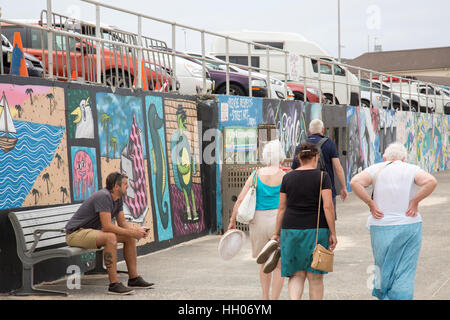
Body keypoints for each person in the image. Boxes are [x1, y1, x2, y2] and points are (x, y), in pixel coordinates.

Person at [350, 142, 437, 300]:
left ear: (385, 157)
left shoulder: (375, 168)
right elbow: (431, 181)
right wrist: (415, 201)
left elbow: (355, 182)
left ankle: (383, 295)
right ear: (403, 158)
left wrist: (370, 203)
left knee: (381, 265)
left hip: (380, 224)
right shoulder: (411, 169)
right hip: (409, 224)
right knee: (405, 268)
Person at [65, 172, 154, 295]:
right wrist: (133, 232)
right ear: (116, 187)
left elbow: (122, 223)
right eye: (125, 184)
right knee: (110, 237)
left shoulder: (118, 199)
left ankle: (133, 279)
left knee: (129, 238)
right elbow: (107, 226)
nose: (127, 186)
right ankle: (114, 285)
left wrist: (135, 232)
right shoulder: (104, 196)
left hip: (92, 232)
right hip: (76, 233)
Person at [272, 142, 337, 300]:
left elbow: (281, 208)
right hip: (317, 231)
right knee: (315, 278)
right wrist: (333, 233)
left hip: (290, 230)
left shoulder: (287, 178)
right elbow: (328, 207)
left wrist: (276, 233)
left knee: (296, 275)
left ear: (299, 158)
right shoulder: (323, 177)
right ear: (316, 157)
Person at [228, 140, 286, 300]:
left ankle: (265, 297)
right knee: (279, 263)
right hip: (277, 220)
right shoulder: (284, 176)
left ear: (265, 156)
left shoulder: (255, 174)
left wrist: (232, 220)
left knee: (264, 261)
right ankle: (274, 299)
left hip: (258, 220)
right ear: (280, 156)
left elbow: (240, 199)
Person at [291, 119, 348, 218]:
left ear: (309, 131)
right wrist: (343, 187)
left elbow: (294, 170)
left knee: (308, 219)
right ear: (322, 130)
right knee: (328, 217)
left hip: (305, 190)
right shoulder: (329, 143)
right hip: (327, 188)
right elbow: (338, 167)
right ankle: (331, 233)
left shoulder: (301, 146)